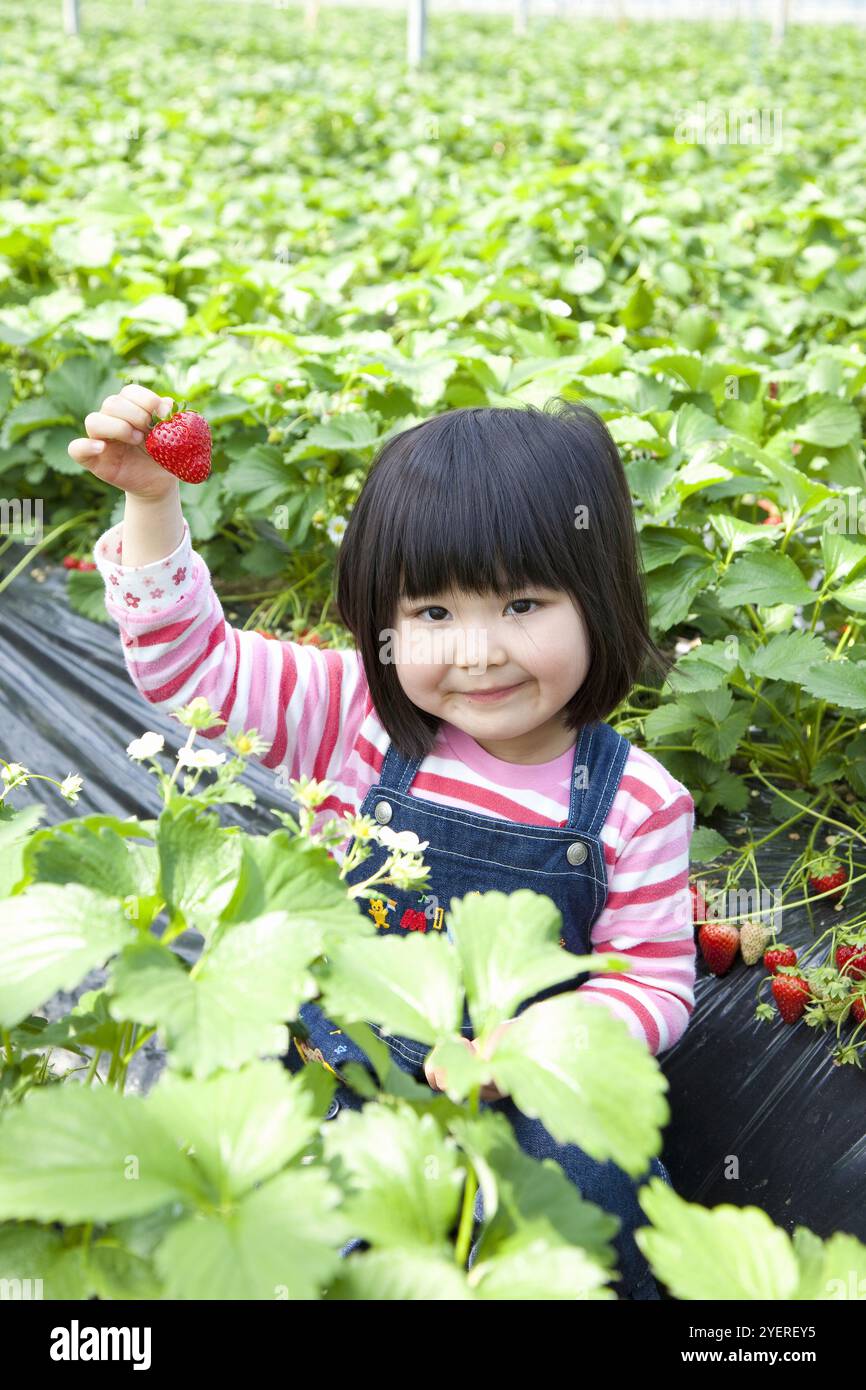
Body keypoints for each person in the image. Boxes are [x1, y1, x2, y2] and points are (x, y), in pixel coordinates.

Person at [69, 386, 697, 1299]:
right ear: (383, 627)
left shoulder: (636, 803)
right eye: (434, 615)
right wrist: (153, 501)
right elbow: (190, 666)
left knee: (592, 1204)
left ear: (600, 600)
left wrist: (543, 1044)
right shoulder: (350, 714)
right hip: (344, 1065)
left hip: (526, 1092)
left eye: (523, 604)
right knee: (277, 1207)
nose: (479, 651)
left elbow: (653, 981)